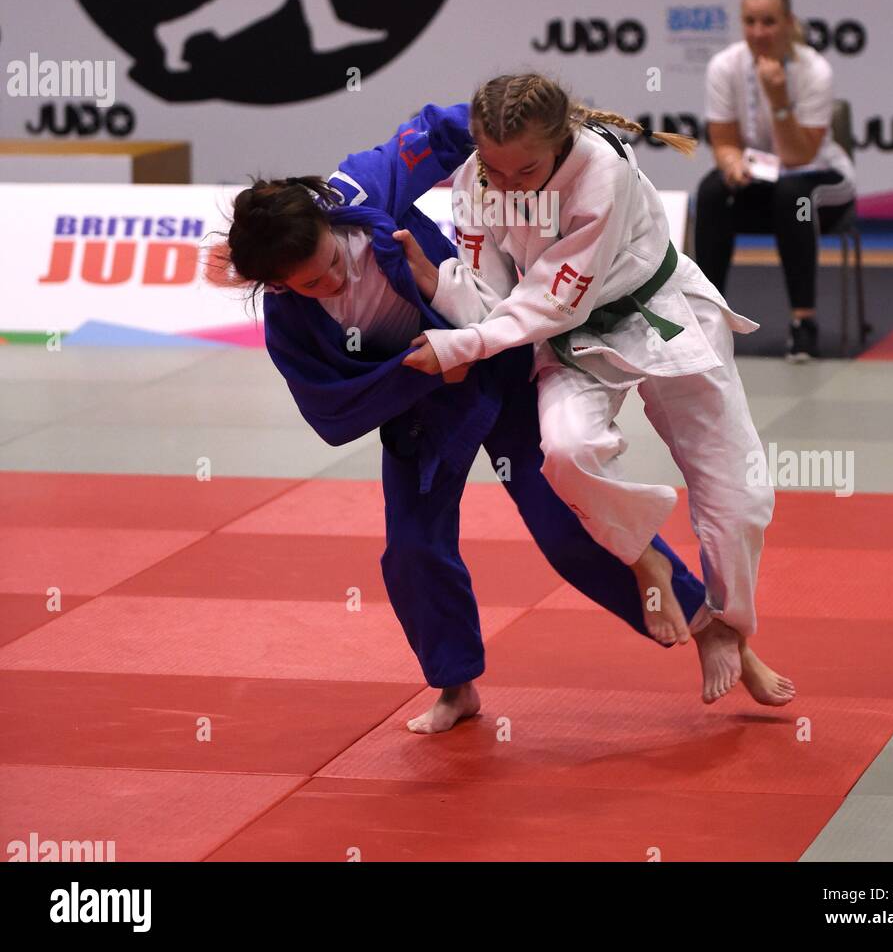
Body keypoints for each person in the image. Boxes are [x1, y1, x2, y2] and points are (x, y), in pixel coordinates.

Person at [207, 104, 771, 729]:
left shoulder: (362, 188)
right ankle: (455, 686)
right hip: (419, 405)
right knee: (413, 551)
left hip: (493, 361)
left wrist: (544, 119)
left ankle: (709, 629)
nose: (334, 281)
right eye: (312, 284)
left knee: (566, 524)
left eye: (334, 259)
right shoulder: (289, 324)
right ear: (281, 287)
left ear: (325, 219)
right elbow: (330, 409)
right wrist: (412, 373)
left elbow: (447, 129)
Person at [399, 78, 794, 707]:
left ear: (560, 142)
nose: (508, 187)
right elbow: (497, 295)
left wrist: (459, 344)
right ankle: (647, 560)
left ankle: (730, 628)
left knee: (739, 497)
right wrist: (444, 290)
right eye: (493, 170)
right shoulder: (479, 179)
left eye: (525, 169)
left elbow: (555, 295)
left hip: (661, 313)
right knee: (565, 452)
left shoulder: (600, 169)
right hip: (572, 341)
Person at [694, 0, 857, 361]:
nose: (758, 32)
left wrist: (779, 99)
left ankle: (804, 324)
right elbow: (723, 139)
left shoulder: (814, 69)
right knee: (713, 190)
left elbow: (799, 156)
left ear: (788, 23)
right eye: (750, 22)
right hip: (762, 179)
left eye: (768, 22)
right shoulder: (724, 65)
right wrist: (732, 163)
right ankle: (707, 320)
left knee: (793, 194)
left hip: (821, 179)